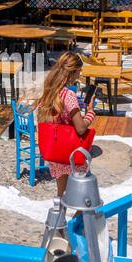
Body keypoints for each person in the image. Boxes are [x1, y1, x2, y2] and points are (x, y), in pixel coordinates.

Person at [35, 51, 96, 196]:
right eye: (79, 71)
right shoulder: (69, 95)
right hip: (70, 153)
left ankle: (58, 217)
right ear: (72, 71)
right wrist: (90, 113)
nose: (79, 75)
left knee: (61, 194)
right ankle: (77, 220)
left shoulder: (50, 90)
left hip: (56, 150)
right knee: (85, 197)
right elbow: (80, 128)